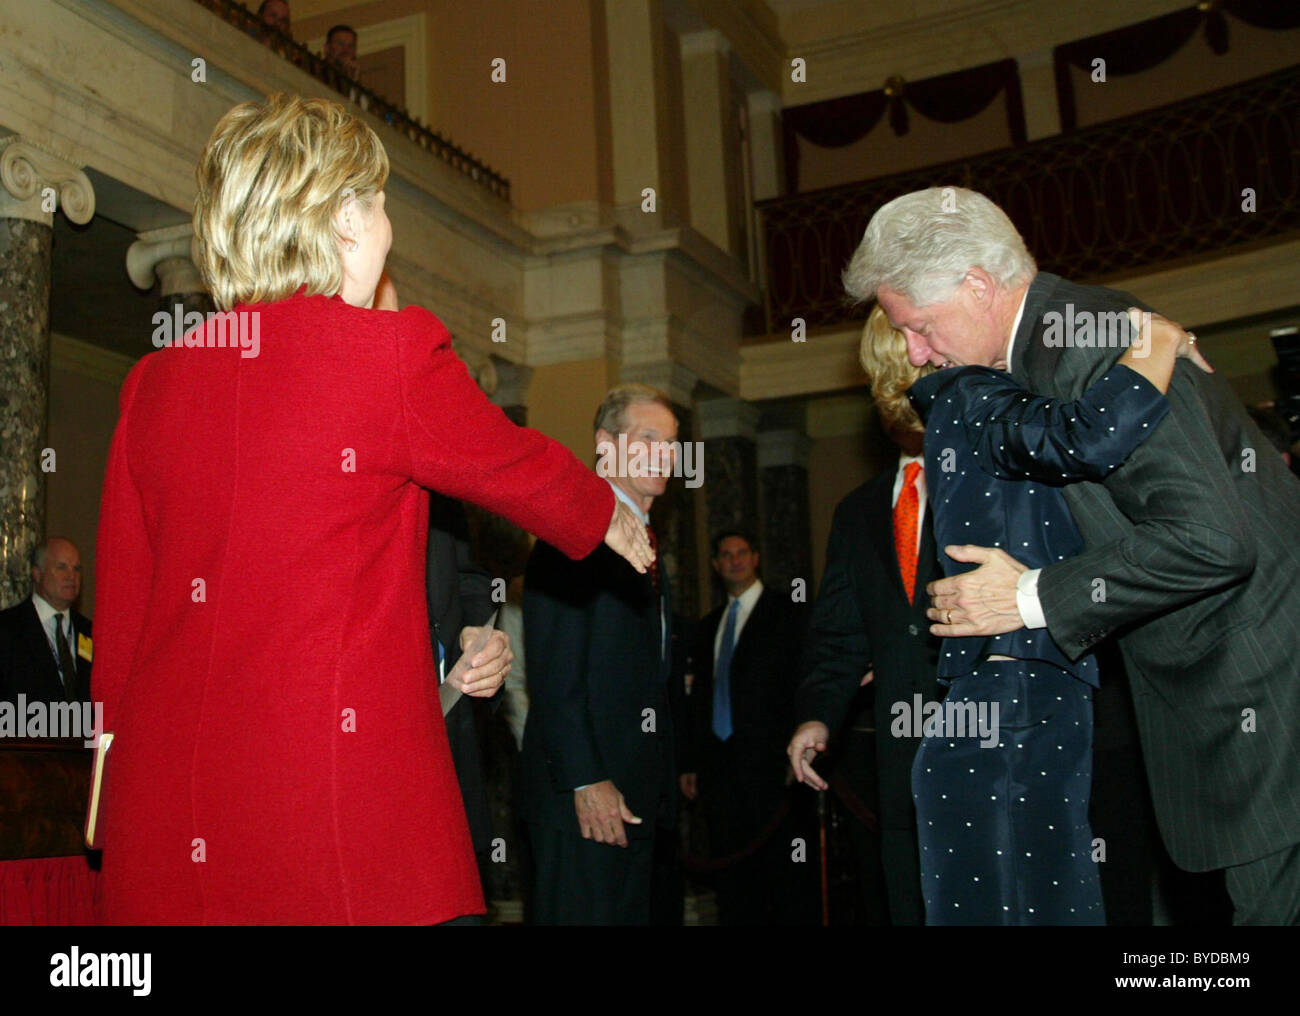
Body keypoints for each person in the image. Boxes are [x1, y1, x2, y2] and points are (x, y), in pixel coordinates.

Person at [91, 94, 653, 926]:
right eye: (381, 202)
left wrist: (107, 772)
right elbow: (507, 457)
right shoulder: (383, 355)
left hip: (166, 811)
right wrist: (604, 515)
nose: (388, 226)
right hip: (324, 812)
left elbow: (123, 617)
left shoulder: (153, 385)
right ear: (346, 219)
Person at [846, 186, 1300, 925]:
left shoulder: (1091, 344)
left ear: (977, 286)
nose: (918, 354)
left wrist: (1028, 597)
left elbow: (1212, 540)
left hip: (1265, 691)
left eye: (920, 327)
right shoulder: (1065, 341)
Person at [519, 384, 679, 925]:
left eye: (673, 443)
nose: (667, 455)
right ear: (606, 445)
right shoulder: (573, 534)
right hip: (584, 802)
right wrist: (587, 780)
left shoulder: (650, 541)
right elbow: (553, 673)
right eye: (649, 439)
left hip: (636, 795)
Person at [788, 402, 945, 927]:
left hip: (988, 741)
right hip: (897, 761)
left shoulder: (990, 484)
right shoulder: (857, 510)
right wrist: (818, 715)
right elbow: (838, 634)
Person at [681, 530, 814, 925]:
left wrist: (801, 749)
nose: (734, 560)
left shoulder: (789, 612)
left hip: (776, 770)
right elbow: (697, 700)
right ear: (716, 565)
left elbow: (804, 683)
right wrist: (689, 762)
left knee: (785, 879)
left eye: (742, 553)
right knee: (735, 885)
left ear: (756, 558)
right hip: (721, 775)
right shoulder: (706, 628)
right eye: (726, 555)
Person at [0, 538, 92, 707]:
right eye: (61, 567)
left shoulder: (89, 632)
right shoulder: (8, 628)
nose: (71, 576)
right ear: (37, 574)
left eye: (77, 569)